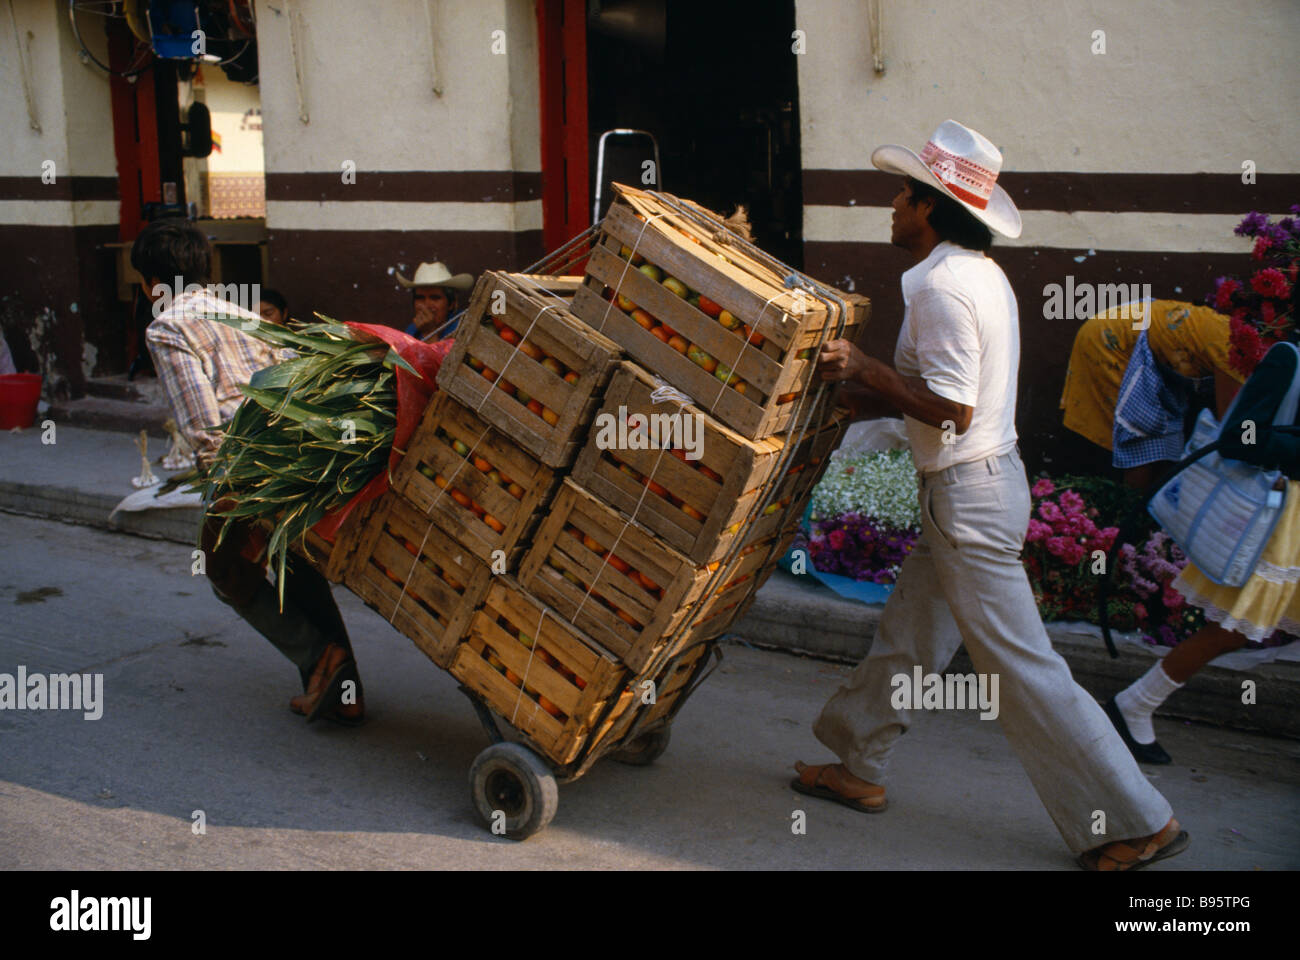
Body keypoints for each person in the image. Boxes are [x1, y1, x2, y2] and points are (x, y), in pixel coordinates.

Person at [793, 120, 1186, 870]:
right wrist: (859, 398)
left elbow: (953, 407)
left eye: (905, 196)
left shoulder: (942, 286)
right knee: (909, 635)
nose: (895, 207)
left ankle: (1137, 821)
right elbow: (937, 397)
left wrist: (867, 369)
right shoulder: (977, 276)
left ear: (932, 209)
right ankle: (855, 767)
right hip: (976, 490)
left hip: (968, 500)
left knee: (1024, 669)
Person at [138, 218, 364, 726]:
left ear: (150, 284)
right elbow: (290, 372)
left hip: (248, 467)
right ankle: (342, 689)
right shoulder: (239, 313)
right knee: (295, 565)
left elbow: (202, 424)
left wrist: (226, 491)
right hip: (297, 455)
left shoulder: (167, 325)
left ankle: (320, 660)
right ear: (204, 269)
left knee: (223, 568)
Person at [1107, 328, 1300, 764]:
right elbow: (1241, 437)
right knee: (1232, 629)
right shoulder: (1289, 360)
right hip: (1282, 519)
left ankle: (1135, 703)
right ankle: (1135, 703)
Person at [1060, 301, 1245, 488]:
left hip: (1142, 346)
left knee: (1164, 444)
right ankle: (1131, 507)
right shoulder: (1236, 348)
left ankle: (1148, 506)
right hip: (1114, 342)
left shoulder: (1246, 341)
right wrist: (1255, 446)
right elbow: (1234, 422)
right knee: (1139, 437)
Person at [396, 261, 474, 339]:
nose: (427, 305)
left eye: (435, 298)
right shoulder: (412, 330)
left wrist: (429, 333)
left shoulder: (462, 329)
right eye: (420, 298)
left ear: (451, 304)